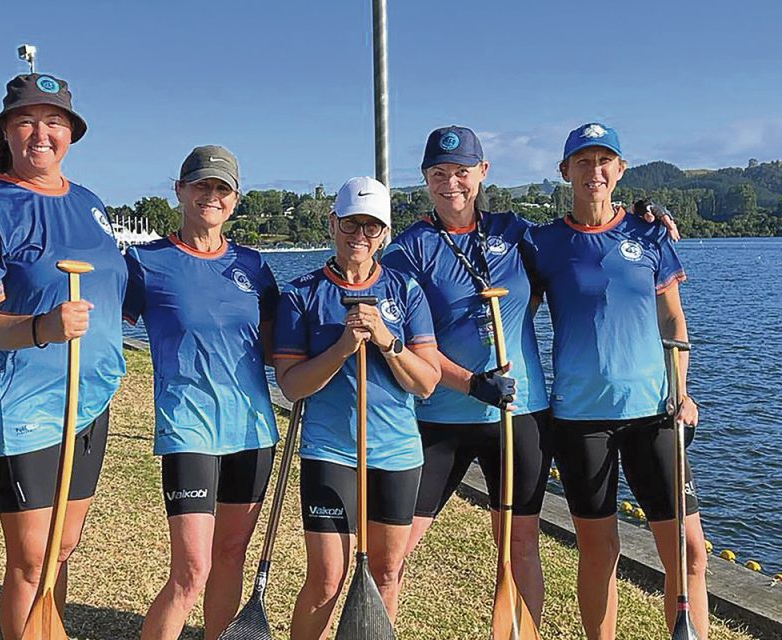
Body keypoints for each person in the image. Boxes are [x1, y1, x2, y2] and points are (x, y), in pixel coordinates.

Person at [0, 73, 126, 639]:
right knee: (32, 558)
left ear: (71, 132)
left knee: (64, 546)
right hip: (24, 399)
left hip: (91, 397)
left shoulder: (90, 204)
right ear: (5, 130)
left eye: (54, 121)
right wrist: (42, 328)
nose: (41, 133)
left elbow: (121, 292)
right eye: (26, 120)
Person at [521, 122, 707, 639]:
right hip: (581, 419)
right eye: (583, 161)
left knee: (688, 552)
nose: (594, 171)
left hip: (654, 414)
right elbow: (518, 314)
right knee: (600, 553)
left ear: (620, 171)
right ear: (565, 172)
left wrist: (682, 389)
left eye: (605, 161)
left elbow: (672, 321)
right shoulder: (543, 244)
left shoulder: (649, 236)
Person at [381, 126, 552, 625]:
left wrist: (644, 225)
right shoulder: (410, 249)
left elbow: (572, 258)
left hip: (520, 414)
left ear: (482, 172)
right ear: (425, 179)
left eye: (461, 171)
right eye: (439, 173)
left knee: (519, 544)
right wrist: (472, 382)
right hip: (439, 418)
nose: (451, 183)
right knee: (394, 551)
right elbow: (411, 342)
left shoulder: (515, 232)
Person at [123, 145, 280, 640]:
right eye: (201, 186)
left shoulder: (254, 267)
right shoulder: (147, 263)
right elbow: (107, 330)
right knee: (191, 570)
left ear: (235, 200)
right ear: (180, 190)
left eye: (222, 189)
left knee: (231, 555)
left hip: (253, 430)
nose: (211, 196)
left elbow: (282, 349)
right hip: (188, 428)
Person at [274, 177, 441, 639]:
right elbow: (291, 387)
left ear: (384, 234)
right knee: (327, 578)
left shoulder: (406, 292)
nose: (360, 237)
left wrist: (388, 342)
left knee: (386, 574)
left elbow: (426, 383)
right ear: (333, 224)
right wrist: (342, 348)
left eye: (371, 228)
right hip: (331, 452)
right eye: (351, 224)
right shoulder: (301, 295)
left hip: (397, 454)